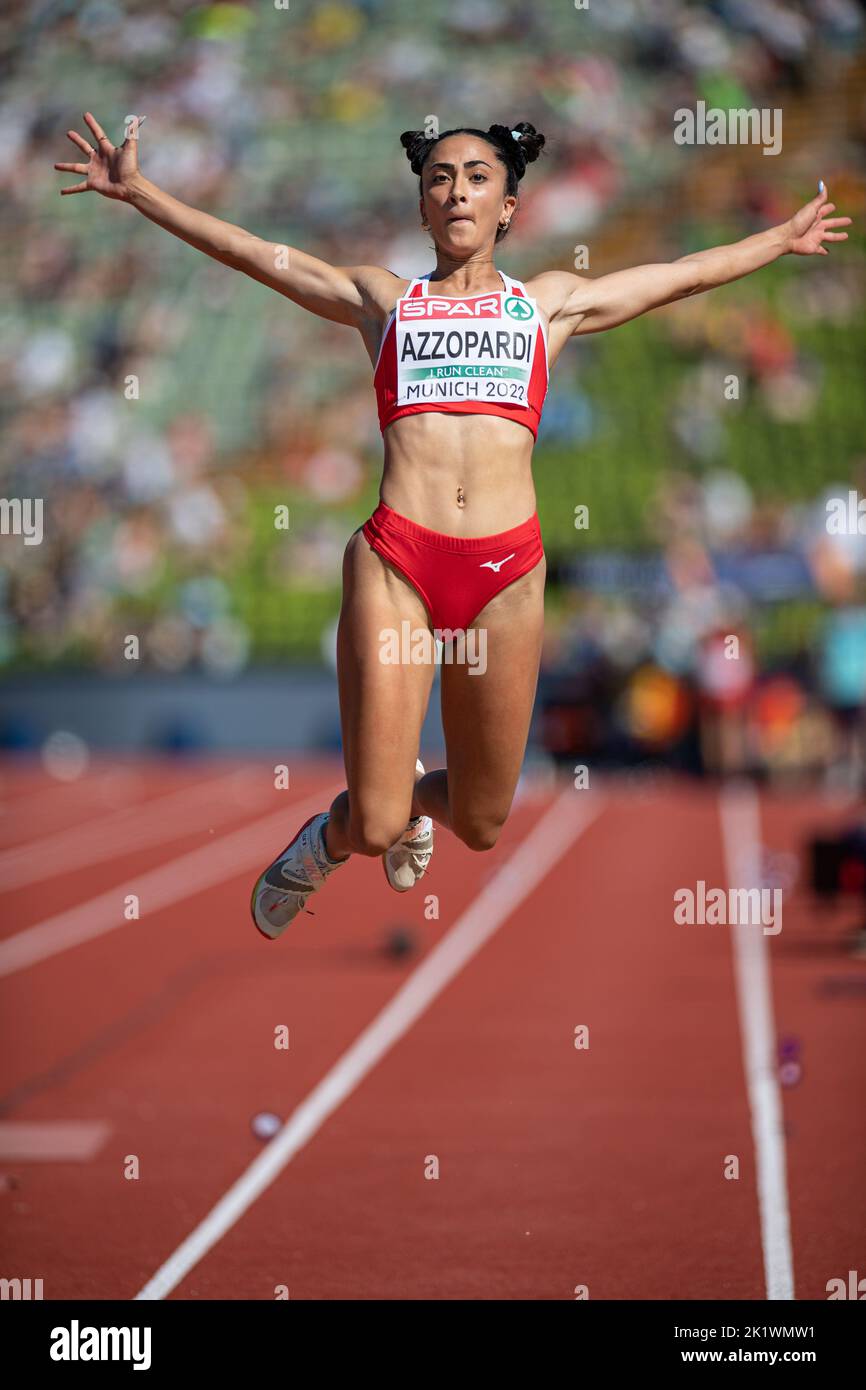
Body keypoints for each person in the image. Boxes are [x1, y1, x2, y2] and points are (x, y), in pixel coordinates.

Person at [55, 113, 852, 939]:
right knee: (369, 823)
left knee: (481, 821)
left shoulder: (548, 306)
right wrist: (142, 192)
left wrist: (778, 241)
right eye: (439, 177)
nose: (456, 189)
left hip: (506, 575)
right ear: (423, 206)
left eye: (476, 176)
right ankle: (318, 846)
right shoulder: (383, 302)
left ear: (508, 205)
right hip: (399, 558)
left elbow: (681, 275)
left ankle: (415, 803)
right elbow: (256, 255)